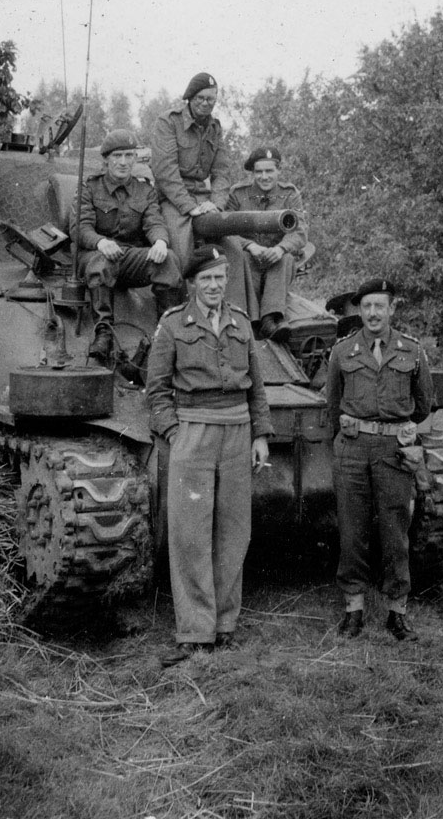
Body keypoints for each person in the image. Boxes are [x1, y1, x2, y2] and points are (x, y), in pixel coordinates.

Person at [145, 245, 273, 666]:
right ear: (192, 284)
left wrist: (261, 434)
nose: (215, 285)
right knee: (190, 534)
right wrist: (174, 433)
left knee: (235, 531)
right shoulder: (171, 325)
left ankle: (224, 624)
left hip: (237, 431)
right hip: (193, 432)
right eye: (207, 279)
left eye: (220, 277)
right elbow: (158, 389)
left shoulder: (240, 323)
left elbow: (256, 385)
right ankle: (196, 630)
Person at [325, 278, 434, 642]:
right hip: (352, 451)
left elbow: (422, 405)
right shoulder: (342, 352)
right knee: (351, 531)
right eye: (367, 306)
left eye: (380, 306)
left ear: (392, 308)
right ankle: (353, 610)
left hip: (392, 452)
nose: (373, 313)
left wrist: (394, 431)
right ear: (360, 310)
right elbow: (332, 404)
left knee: (395, 532)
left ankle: (396, 613)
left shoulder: (412, 351)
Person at [70, 129, 183, 365]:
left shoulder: (145, 190)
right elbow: (80, 227)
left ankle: (167, 332)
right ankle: (103, 332)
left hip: (128, 257)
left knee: (169, 260)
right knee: (101, 263)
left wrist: (160, 241)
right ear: (106, 159)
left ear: (135, 158)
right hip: (94, 255)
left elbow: (154, 221)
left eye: (129, 156)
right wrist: (101, 242)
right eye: (117, 156)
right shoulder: (90, 188)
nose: (123, 162)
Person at [151, 72, 254, 313]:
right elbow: (165, 171)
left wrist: (216, 204)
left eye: (211, 99)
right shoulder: (169, 122)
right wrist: (190, 207)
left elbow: (222, 171)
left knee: (234, 253)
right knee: (182, 250)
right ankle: (186, 315)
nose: (206, 103)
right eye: (201, 98)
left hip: (206, 200)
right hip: (174, 200)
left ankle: (236, 318)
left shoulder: (215, 127)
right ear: (189, 98)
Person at [227, 146, 307, 343]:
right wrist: (249, 246)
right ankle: (251, 321)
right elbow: (226, 230)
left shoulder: (290, 194)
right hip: (249, 257)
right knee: (241, 257)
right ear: (252, 173)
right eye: (259, 172)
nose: (264, 176)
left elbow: (300, 231)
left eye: (269, 171)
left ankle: (270, 319)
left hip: (275, 258)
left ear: (278, 171)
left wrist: (280, 249)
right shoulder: (238, 194)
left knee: (287, 257)